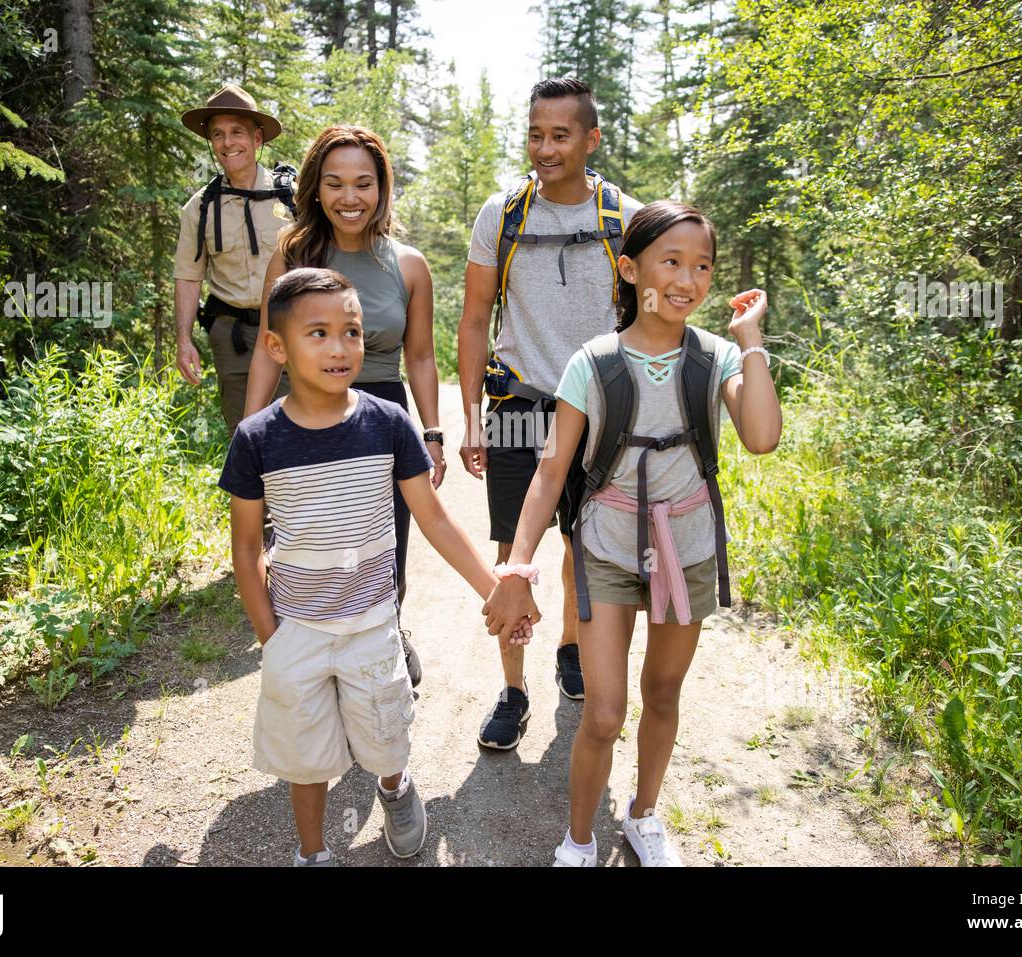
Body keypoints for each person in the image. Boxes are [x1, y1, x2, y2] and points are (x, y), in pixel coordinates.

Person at [482, 201, 783, 867]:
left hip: (688, 547)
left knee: (665, 693)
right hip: (609, 547)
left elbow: (761, 436)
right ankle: (579, 837)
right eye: (670, 261)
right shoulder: (593, 362)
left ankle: (645, 816)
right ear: (629, 267)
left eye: (701, 265)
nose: (687, 278)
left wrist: (752, 335)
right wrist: (520, 561)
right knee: (604, 711)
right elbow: (552, 469)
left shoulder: (719, 357)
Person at [219, 268, 531, 866]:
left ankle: (395, 786)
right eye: (319, 333)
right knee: (305, 757)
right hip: (296, 630)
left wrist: (497, 590)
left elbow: (435, 521)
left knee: (386, 738)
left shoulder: (388, 423)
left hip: (371, 627)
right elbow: (247, 547)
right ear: (277, 346)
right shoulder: (257, 438)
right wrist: (272, 638)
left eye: (352, 331)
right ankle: (312, 853)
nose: (340, 348)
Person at [458, 77, 642, 749]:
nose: (544, 148)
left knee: (583, 546)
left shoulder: (625, 218)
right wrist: (474, 415)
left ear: (591, 139)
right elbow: (476, 316)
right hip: (517, 403)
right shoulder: (501, 214)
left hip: (598, 410)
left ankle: (569, 647)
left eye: (560, 135)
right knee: (513, 552)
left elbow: (652, 320)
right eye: (536, 134)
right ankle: (513, 689)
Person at [244, 125, 442, 686]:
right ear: (315, 188)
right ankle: (306, 658)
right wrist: (250, 429)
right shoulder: (293, 255)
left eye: (362, 183)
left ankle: (384, 643)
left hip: (382, 415)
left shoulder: (408, 265)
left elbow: (422, 357)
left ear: (382, 189)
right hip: (302, 416)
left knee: (387, 546)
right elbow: (268, 349)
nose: (348, 197)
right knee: (306, 548)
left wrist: (432, 433)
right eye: (334, 183)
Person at [174, 83, 294, 432]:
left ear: (257, 140)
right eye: (218, 135)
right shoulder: (199, 208)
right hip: (233, 337)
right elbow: (188, 276)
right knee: (245, 433)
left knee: (298, 430)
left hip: (290, 330)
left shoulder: (292, 199)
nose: (228, 143)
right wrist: (183, 341)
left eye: (237, 132)